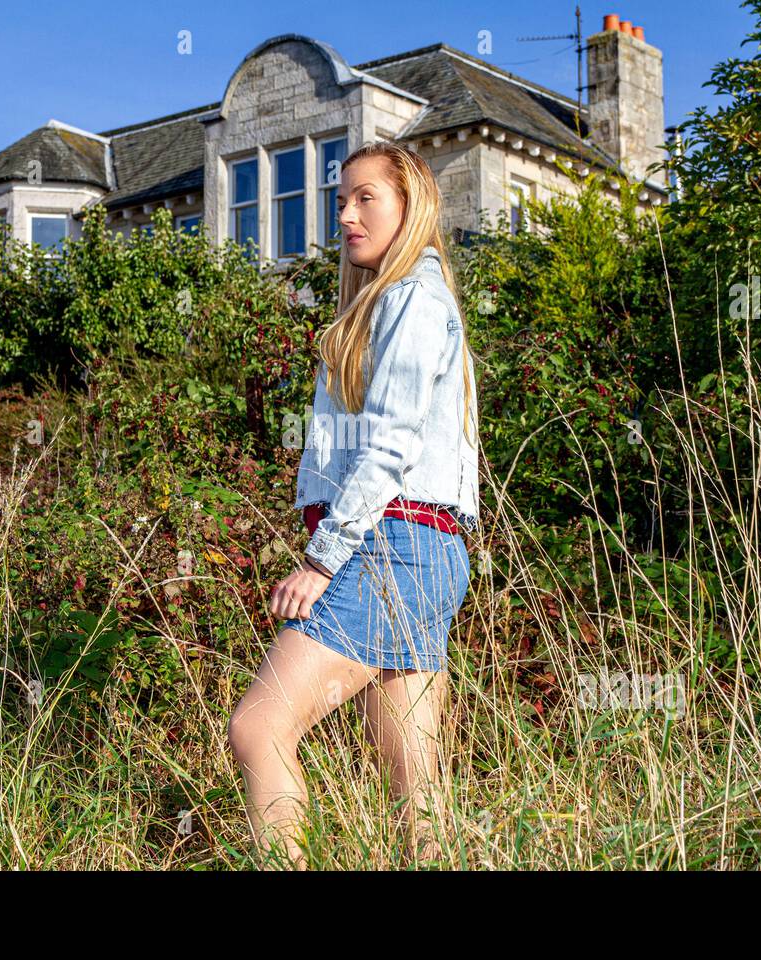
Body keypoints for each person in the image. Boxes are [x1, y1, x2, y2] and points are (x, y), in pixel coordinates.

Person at [227, 140, 481, 869]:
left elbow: (393, 441)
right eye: (342, 200)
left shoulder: (412, 296)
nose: (346, 214)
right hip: (425, 551)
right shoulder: (395, 300)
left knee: (259, 727)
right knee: (415, 790)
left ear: (413, 204)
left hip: (392, 546)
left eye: (366, 197)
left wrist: (322, 558)